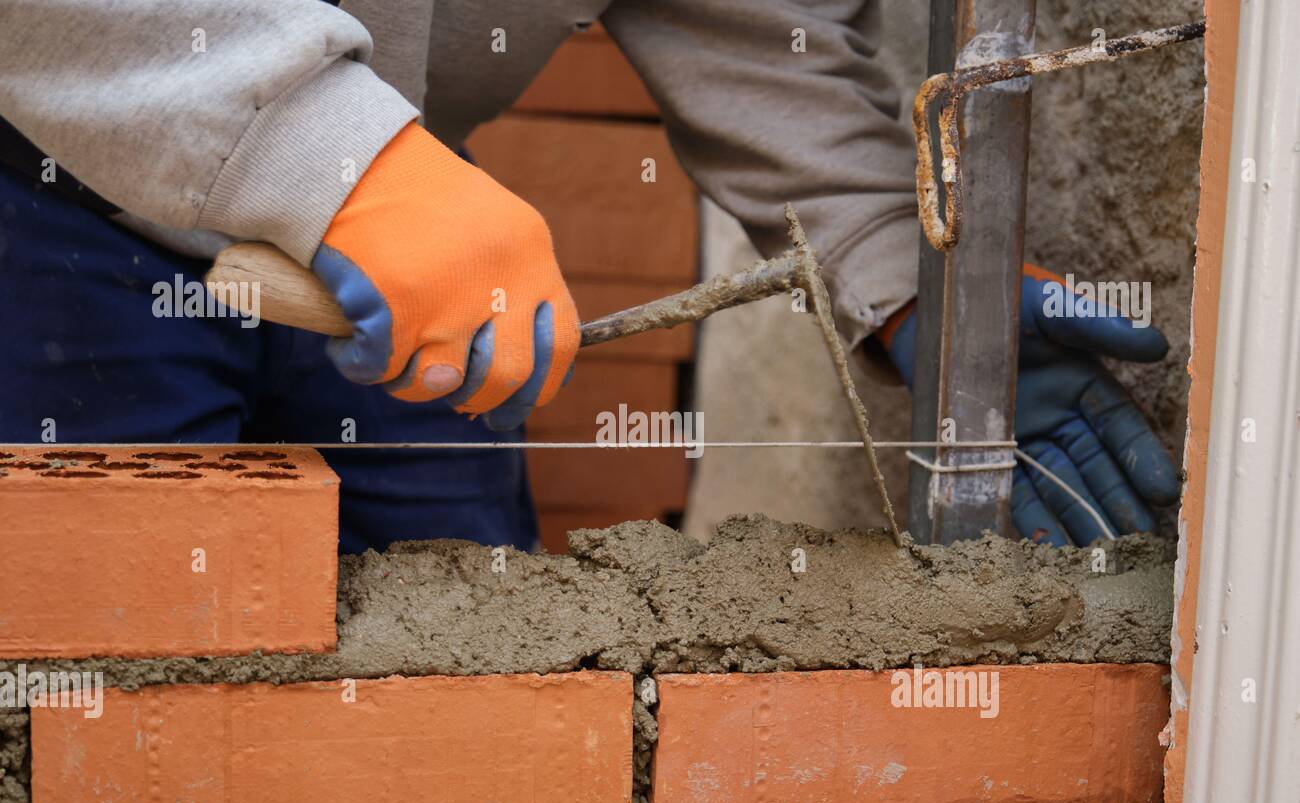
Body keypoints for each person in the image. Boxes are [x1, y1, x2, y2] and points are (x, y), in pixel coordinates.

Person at [0, 0, 1177, 553]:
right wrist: (326, 150)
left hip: (406, 232)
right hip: (63, 182)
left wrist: (892, 260)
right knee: (105, 686)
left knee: (457, 674)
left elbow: (749, 19)